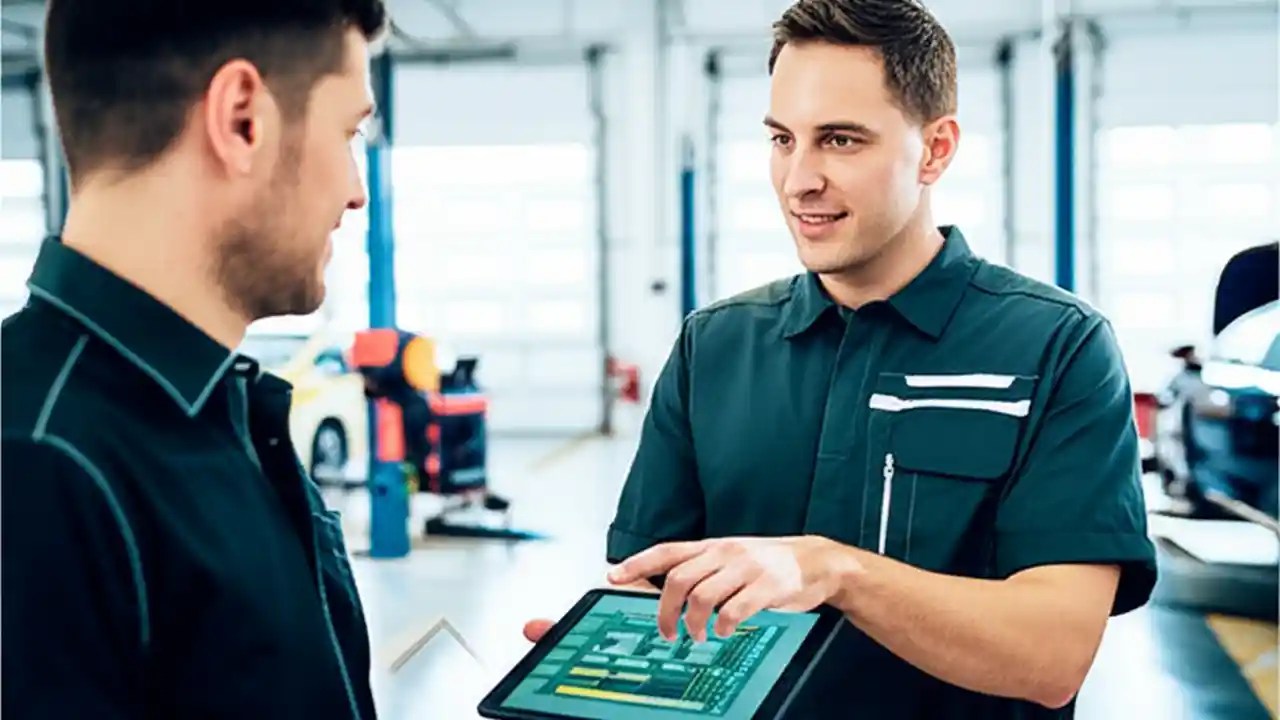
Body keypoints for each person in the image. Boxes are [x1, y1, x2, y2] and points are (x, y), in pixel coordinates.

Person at [525, 0, 1157, 717]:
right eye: (782, 139)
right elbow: (653, 591)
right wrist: (601, 674)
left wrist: (835, 570)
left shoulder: (1057, 347)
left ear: (936, 149)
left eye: (841, 141)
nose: (799, 180)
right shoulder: (715, 347)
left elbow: (1051, 657)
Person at [1, 1, 385, 718]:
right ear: (243, 119)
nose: (355, 191)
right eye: (348, 132)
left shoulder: (223, 412)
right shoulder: (36, 465)